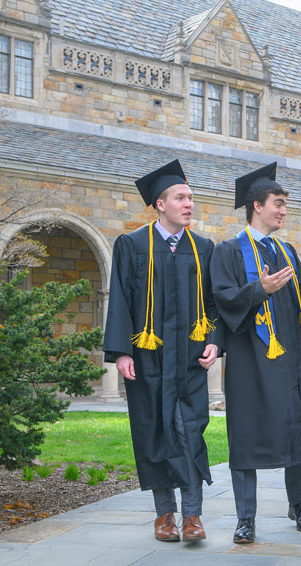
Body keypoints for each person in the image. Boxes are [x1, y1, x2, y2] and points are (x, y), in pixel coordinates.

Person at [103, 159, 222, 543]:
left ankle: (192, 515)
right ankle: (164, 515)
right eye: (181, 197)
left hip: (188, 360)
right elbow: (120, 299)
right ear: (160, 203)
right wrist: (121, 351)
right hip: (147, 358)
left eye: (191, 198)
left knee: (189, 432)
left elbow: (214, 303)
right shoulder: (132, 245)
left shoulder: (203, 248)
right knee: (153, 430)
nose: (189, 204)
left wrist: (215, 342)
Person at [209, 162, 301, 544]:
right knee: (246, 436)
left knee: (298, 429)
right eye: (278, 203)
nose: (283, 210)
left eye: (285, 204)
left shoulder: (288, 251)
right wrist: (259, 289)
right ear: (256, 206)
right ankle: (246, 518)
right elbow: (223, 302)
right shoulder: (227, 252)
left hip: (291, 358)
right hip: (250, 362)